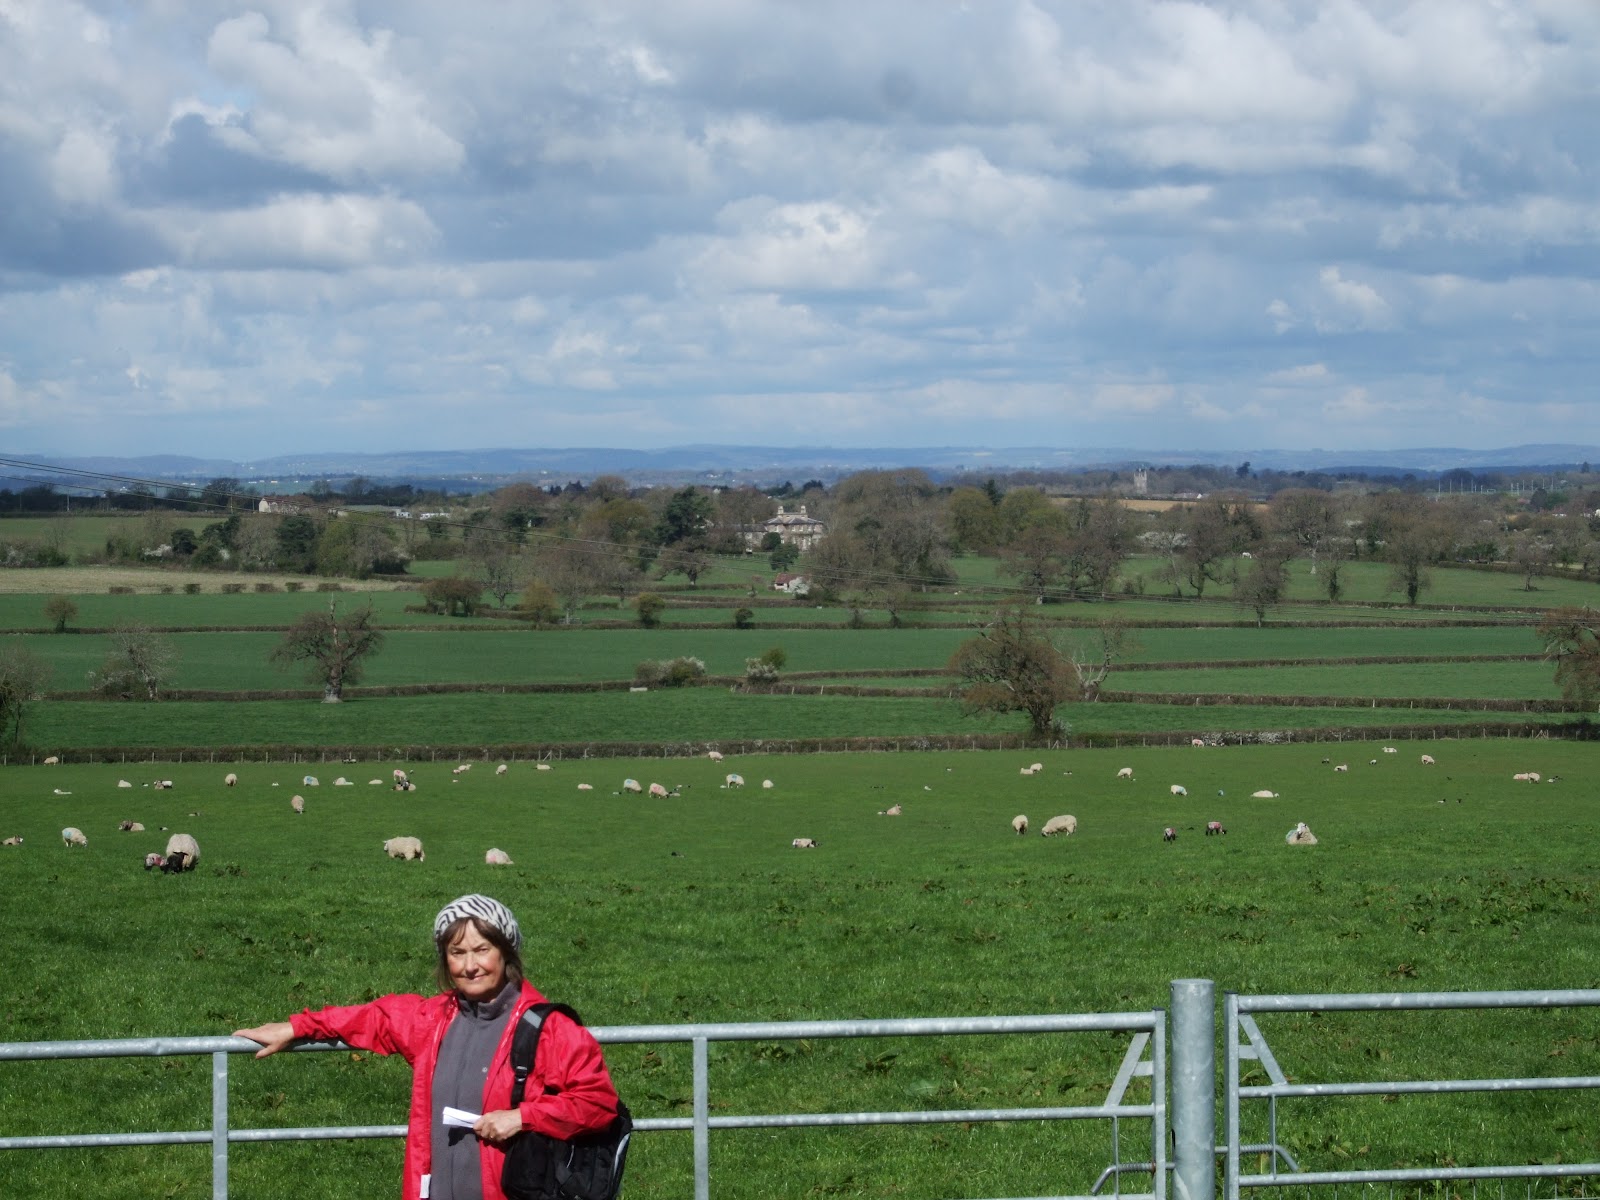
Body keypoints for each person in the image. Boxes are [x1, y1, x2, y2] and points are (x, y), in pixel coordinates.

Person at [234, 893, 619, 1200]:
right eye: (457, 952)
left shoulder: (548, 1028)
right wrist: (297, 1027)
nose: (470, 965)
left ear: (506, 953)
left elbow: (598, 1103)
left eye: (482, 949)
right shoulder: (434, 1019)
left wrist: (522, 1117)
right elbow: (376, 1017)